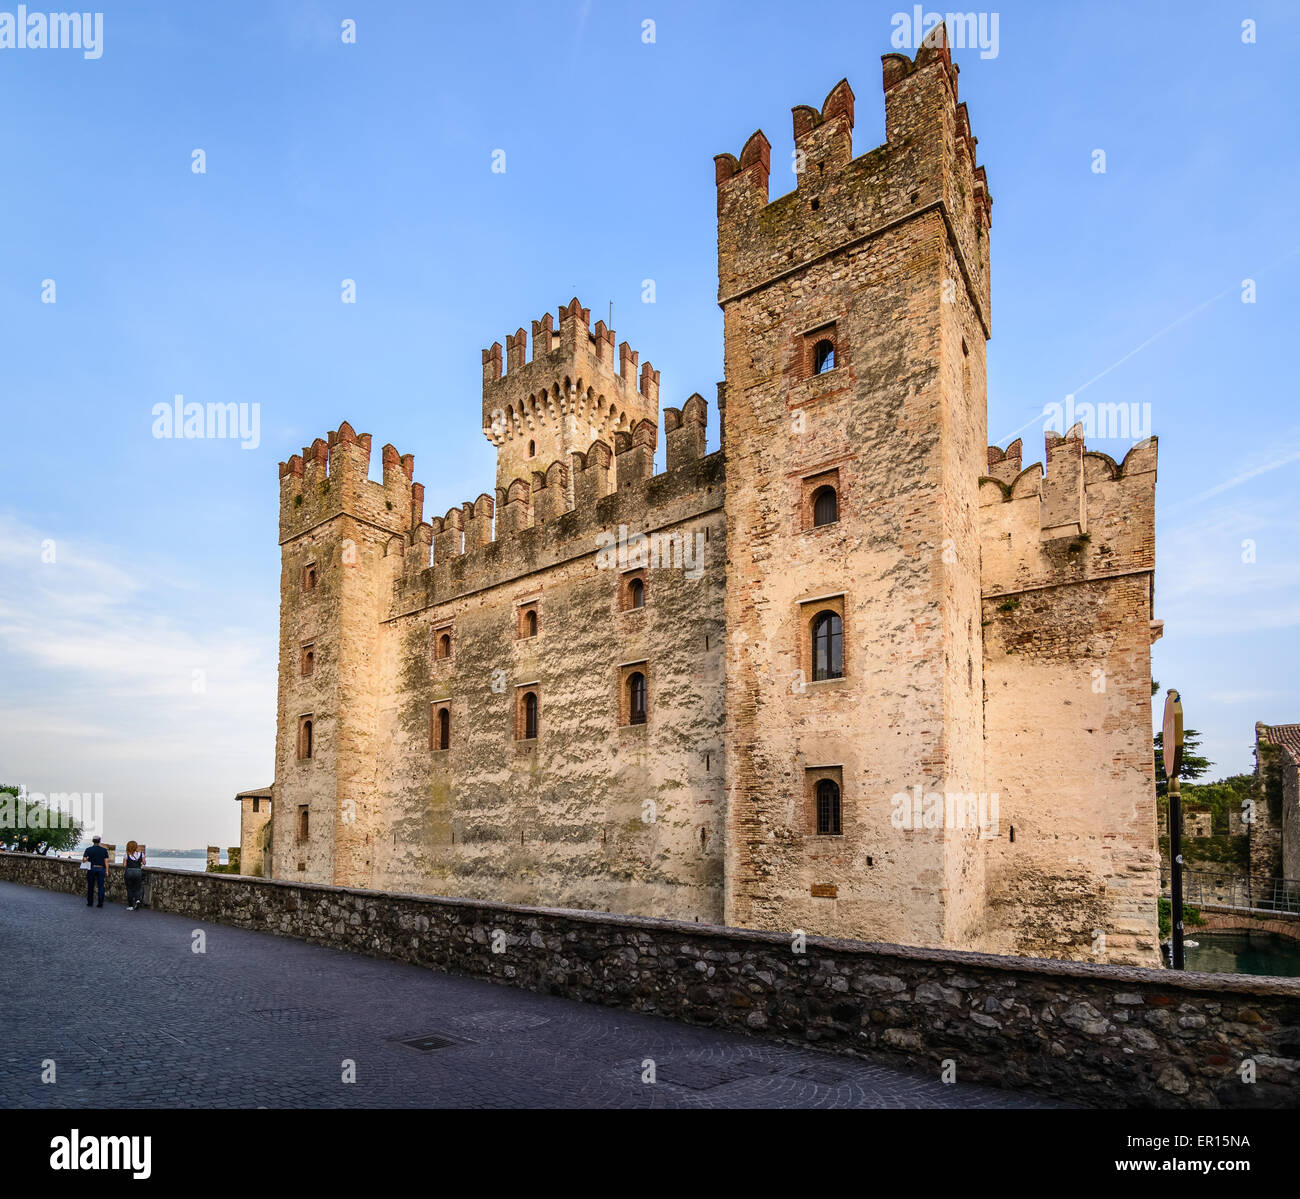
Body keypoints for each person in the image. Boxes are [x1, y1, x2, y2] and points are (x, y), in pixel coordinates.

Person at [82, 836, 109, 908]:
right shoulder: (104, 850)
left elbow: (84, 860)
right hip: (101, 869)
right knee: (101, 886)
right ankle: (100, 902)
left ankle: (90, 902)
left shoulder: (88, 849)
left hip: (92, 869)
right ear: (99, 841)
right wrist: (107, 871)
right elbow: (106, 861)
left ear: (93, 841)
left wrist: (88, 859)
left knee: (90, 886)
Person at [122, 841, 146, 910]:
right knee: (137, 888)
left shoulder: (126, 854)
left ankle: (130, 906)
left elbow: (124, 865)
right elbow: (144, 863)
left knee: (129, 889)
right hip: (138, 871)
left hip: (129, 872)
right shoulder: (141, 854)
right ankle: (137, 900)